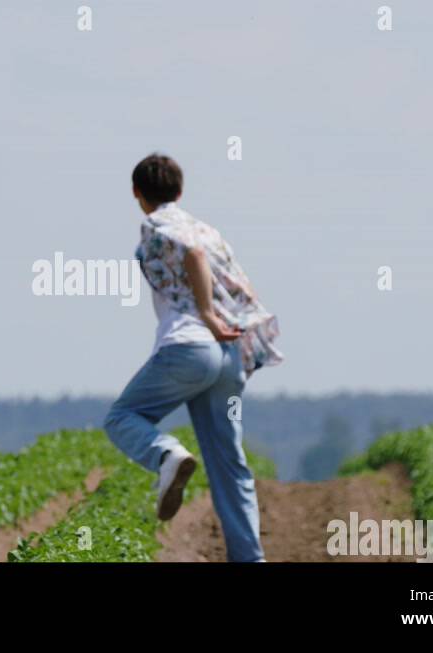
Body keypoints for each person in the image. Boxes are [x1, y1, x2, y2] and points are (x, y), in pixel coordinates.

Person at [103, 153, 283, 562]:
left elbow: (193, 256)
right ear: (181, 190)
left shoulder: (156, 224)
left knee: (122, 418)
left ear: (137, 193)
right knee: (229, 465)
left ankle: (166, 454)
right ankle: (250, 559)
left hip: (191, 346)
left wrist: (205, 313)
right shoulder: (208, 229)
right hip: (229, 353)